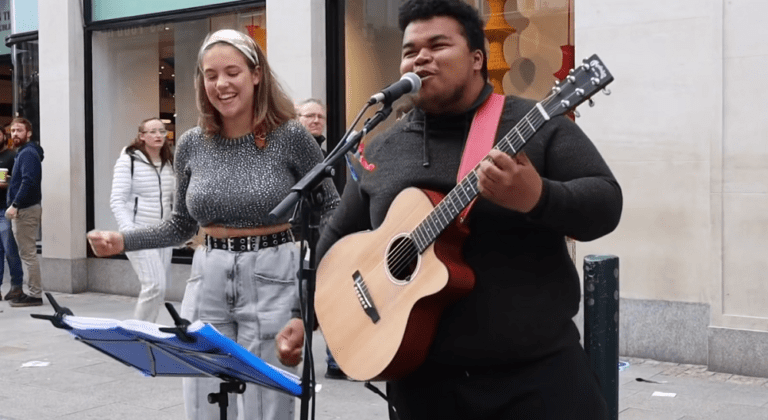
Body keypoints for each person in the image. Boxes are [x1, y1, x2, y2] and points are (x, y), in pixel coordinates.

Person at [276, 1, 622, 419]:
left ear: (477, 58)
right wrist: (306, 313)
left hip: (537, 381)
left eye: (438, 45)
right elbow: (337, 237)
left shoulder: (536, 123)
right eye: (410, 50)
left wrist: (537, 197)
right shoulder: (384, 145)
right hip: (422, 385)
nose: (420, 57)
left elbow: (606, 202)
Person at [87, 29, 338, 420]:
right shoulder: (190, 142)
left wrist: (312, 299)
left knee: (267, 405)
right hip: (207, 278)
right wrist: (122, 240)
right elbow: (180, 226)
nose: (221, 84)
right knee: (203, 404)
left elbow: (332, 211)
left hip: (273, 273)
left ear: (256, 75)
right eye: (210, 74)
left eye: (232, 72)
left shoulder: (291, 136)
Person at [296, 97, 347, 380]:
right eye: (309, 116)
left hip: (327, 239)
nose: (316, 120)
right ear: (297, 119)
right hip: (298, 241)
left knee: (330, 300)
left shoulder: (332, 155)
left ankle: (335, 361)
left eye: (320, 116)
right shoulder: (289, 154)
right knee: (299, 303)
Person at [109, 118, 175, 322]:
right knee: (154, 285)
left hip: (164, 234)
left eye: (162, 131)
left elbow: (172, 198)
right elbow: (117, 200)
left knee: (158, 288)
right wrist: (129, 229)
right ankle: (140, 334)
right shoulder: (128, 161)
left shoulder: (169, 162)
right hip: (139, 232)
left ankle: (148, 331)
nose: (158, 135)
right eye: (153, 131)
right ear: (142, 136)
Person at [6, 117, 44, 308]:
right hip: (26, 208)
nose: (14, 134)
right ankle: (33, 292)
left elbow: (29, 181)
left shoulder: (28, 153)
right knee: (27, 253)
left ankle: (35, 295)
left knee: (28, 254)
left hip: (25, 210)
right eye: (12, 131)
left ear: (28, 133)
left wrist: (15, 204)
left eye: (19, 130)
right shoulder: (24, 153)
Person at [0, 128, 25, 302]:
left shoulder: (11, 156)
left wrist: (5, 182)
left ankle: (16, 287)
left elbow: (18, 181)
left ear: (3, 136)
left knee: (10, 250)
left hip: (5, 210)